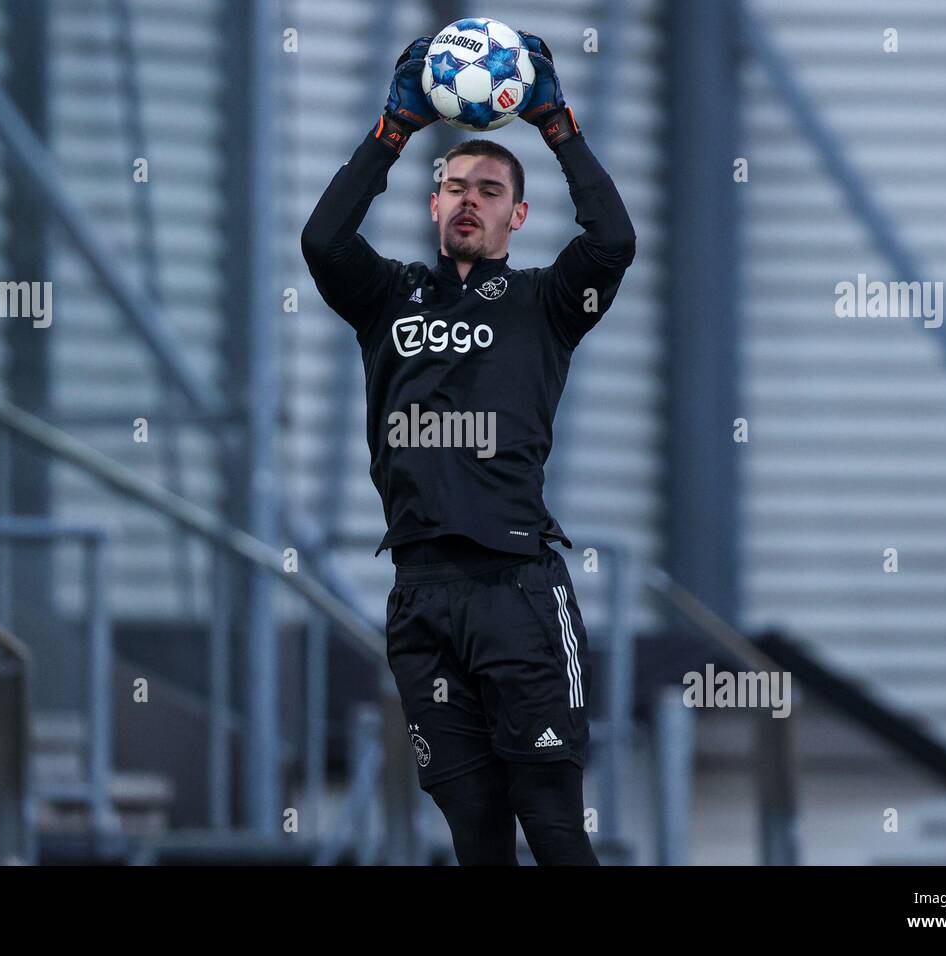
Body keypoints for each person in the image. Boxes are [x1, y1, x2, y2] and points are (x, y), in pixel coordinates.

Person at [300, 32, 636, 865]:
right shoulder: (388, 298)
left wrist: (557, 127)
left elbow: (614, 242)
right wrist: (391, 134)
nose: (468, 202)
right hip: (420, 596)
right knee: (474, 836)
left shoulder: (546, 303)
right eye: (454, 188)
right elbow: (322, 242)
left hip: (516, 591)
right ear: (432, 204)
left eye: (489, 191)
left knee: (553, 825)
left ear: (517, 217)